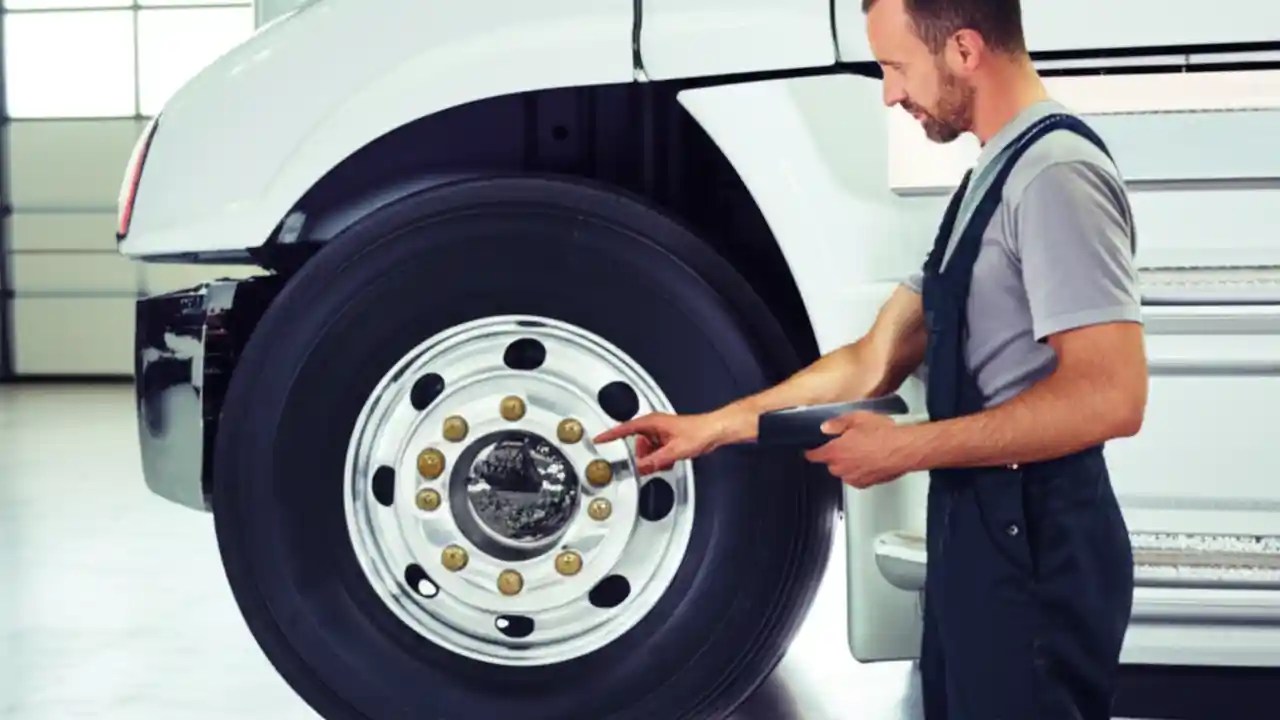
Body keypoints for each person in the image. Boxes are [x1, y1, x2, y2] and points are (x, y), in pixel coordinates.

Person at [595, 0, 1148, 717]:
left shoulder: (1055, 177)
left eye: (896, 67)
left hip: (1038, 541)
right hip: (981, 534)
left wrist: (908, 449)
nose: (889, 92)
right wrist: (713, 427)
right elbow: (872, 360)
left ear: (966, 51)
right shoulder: (993, 176)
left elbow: (1110, 398)